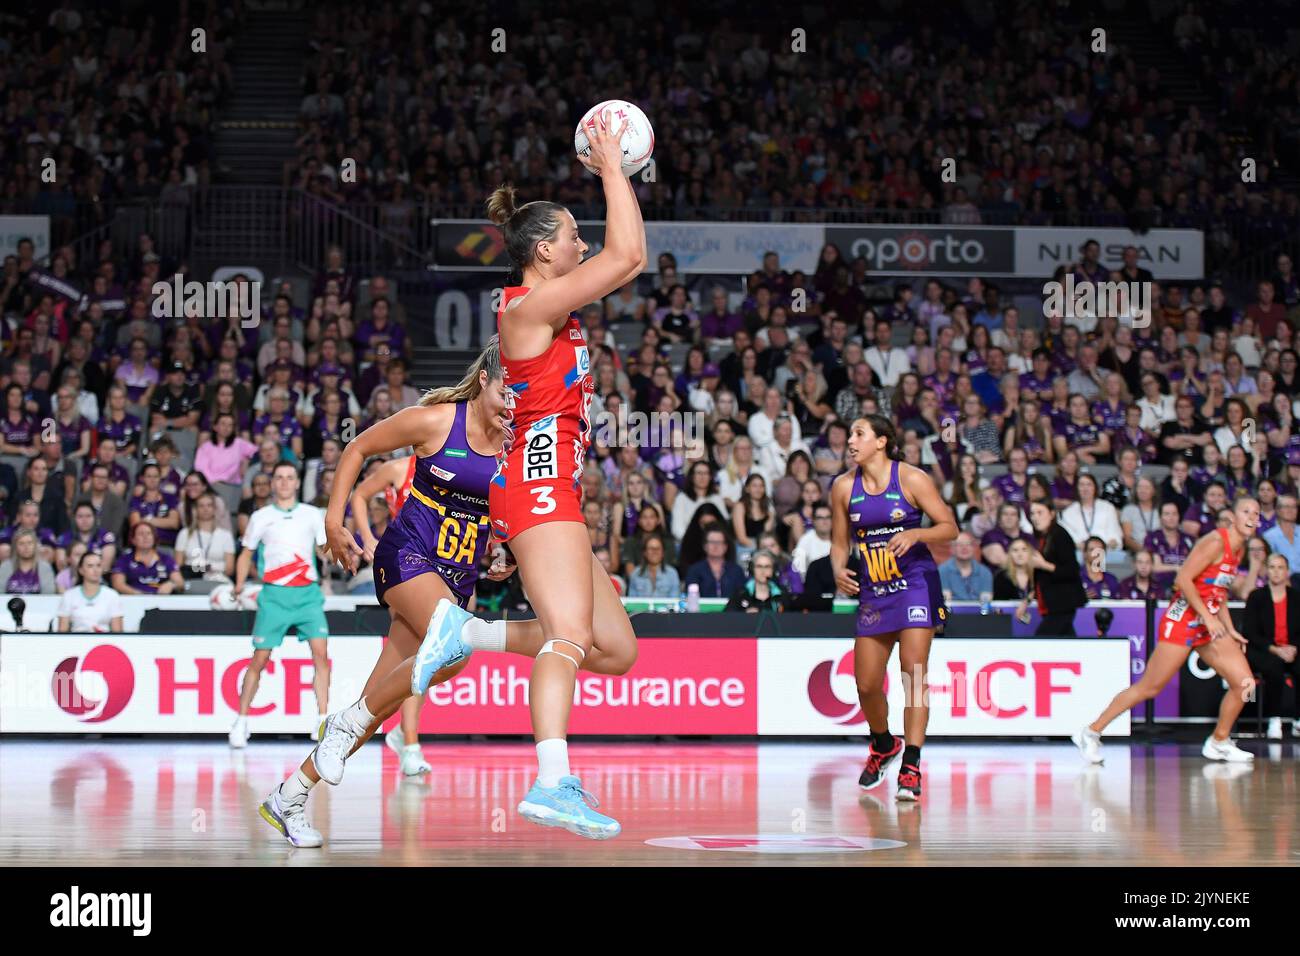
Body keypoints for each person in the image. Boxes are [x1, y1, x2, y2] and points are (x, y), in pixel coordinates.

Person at [312, 122, 645, 842]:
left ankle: (472, 633)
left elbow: (622, 257)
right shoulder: (528, 309)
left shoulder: (550, 309)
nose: (581, 244)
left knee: (615, 651)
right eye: (571, 236)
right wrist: (614, 166)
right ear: (541, 251)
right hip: (537, 484)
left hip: (552, 489)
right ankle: (553, 780)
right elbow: (628, 253)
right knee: (567, 635)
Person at [1074, 497, 1261, 765]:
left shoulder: (1240, 548)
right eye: (1246, 511)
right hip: (1184, 618)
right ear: (1233, 516)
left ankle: (1219, 741)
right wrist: (1208, 619)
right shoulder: (1215, 541)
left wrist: (1229, 629)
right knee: (1149, 688)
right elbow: (1182, 579)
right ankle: (1090, 732)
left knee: (1245, 684)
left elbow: (1217, 593)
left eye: (1256, 512)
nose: (1252, 517)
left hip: (1207, 621)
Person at [830, 414, 957, 800]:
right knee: (867, 683)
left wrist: (917, 532)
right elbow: (839, 543)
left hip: (915, 584)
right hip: (874, 588)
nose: (851, 441)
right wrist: (838, 569)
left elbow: (949, 526)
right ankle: (884, 744)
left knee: (913, 675)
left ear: (882, 441)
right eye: (850, 435)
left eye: (859, 434)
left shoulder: (912, 478)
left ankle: (912, 764)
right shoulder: (842, 488)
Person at [228, 463, 331, 749]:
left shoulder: (312, 514)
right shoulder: (260, 516)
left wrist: (334, 551)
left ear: (297, 483)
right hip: (274, 594)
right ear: (273, 483)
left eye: (289, 478)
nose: (284, 482)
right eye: (279, 478)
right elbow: (246, 553)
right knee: (259, 659)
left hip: (308, 594)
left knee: (321, 655)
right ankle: (241, 720)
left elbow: (324, 548)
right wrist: (238, 584)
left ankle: (322, 719)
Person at [345, 452, 430, 776]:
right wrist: (368, 538)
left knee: (420, 657)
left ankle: (355, 722)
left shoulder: (456, 462)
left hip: (444, 568)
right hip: (405, 564)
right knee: (423, 654)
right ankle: (408, 742)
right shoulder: (397, 469)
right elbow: (360, 494)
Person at [1241, 553, 1300, 739]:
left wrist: (1294, 648)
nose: (1276, 572)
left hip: (1292, 649)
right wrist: (1276, 650)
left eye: (1280, 567)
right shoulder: (1256, 597)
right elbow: (1250, 632)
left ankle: (1298, 720)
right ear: (1266, 571)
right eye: (1272, 567)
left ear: (1287, 572)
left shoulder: (1297, 597)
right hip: (1264, 650)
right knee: (1273, 667)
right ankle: (1275, 720)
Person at [1027, 500, 1087, 635]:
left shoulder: (1060, 535)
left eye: (1039, 512)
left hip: (1062, 605)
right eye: (1032, 513)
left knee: (1042, 642)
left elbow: (1072, 570)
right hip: (1053, 606)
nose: (1035, 517)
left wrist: (1044, 565)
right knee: (1067, 644)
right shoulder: (1043, 537)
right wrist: (1028, 598)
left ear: (1052, 514)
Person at [56, 551, 124, 632]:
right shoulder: (69, 595)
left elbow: (118, 633)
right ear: (81, 570)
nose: (95, 570)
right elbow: (62, 632)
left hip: (104, 642)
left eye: (98, 566)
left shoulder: (112, 595)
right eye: (90, 566)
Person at [938, 530, 993, 603]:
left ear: (974, 548)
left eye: (968, 544)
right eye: (959, 545)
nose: (964, 548)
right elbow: (945, 601)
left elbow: (986, 602)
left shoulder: (985, 572)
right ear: (952, 549)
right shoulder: (942, 571)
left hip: (978, 613)